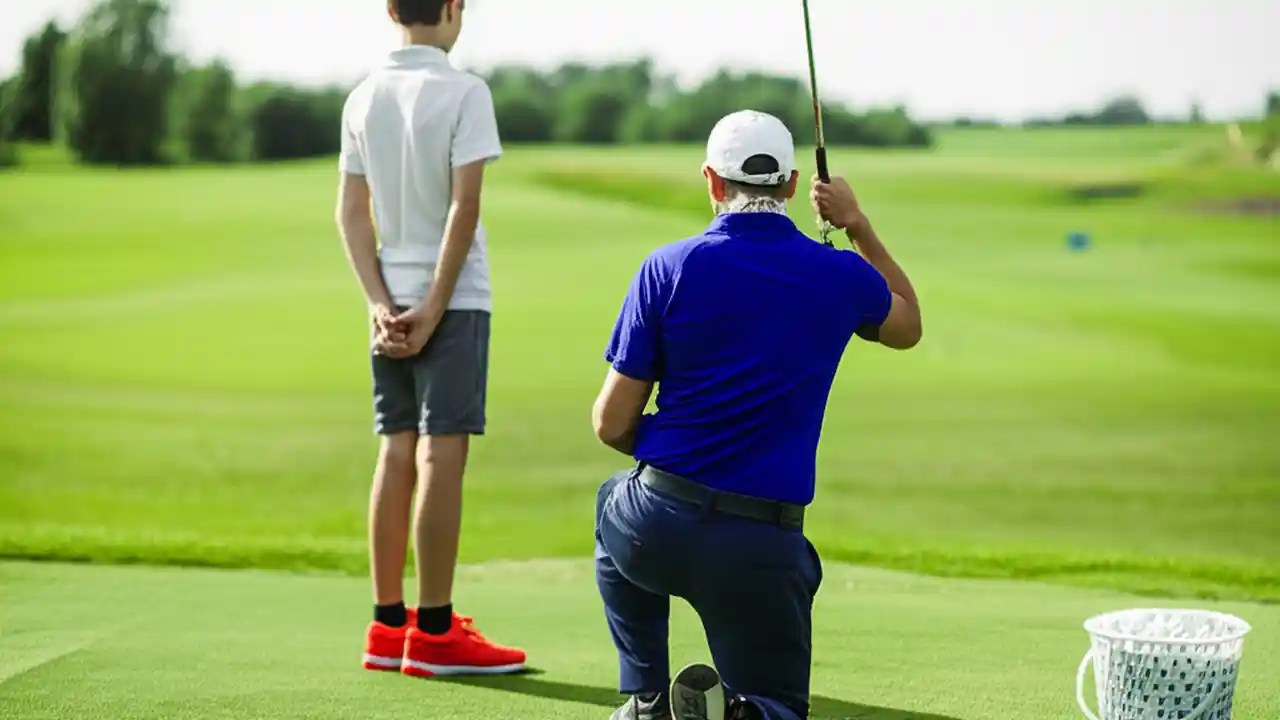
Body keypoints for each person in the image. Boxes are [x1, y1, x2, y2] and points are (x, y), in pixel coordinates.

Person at [591, 110, 922, 720]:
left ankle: (644, 696)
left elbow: (610, 423)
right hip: (761, 544)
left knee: (613, 500)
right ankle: (747, 713)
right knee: (780, 709)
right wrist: (858, 227)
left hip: (655, 519)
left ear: (713, 182)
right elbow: (908, 325)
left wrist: (671, 454)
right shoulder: (842, 274)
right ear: (793, 186)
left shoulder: (668, 266)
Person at [335, 0, 525, 678]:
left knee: (396, 452)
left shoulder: (363, 96)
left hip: (388, 302)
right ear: (453, 9)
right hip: (455, 300)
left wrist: (381, 303)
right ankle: (436, 630)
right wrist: (438, 306)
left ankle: (390, 625)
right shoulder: (465, 91)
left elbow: (350, 214)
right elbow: (463, 207)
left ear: (390, 8)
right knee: (441, 458)